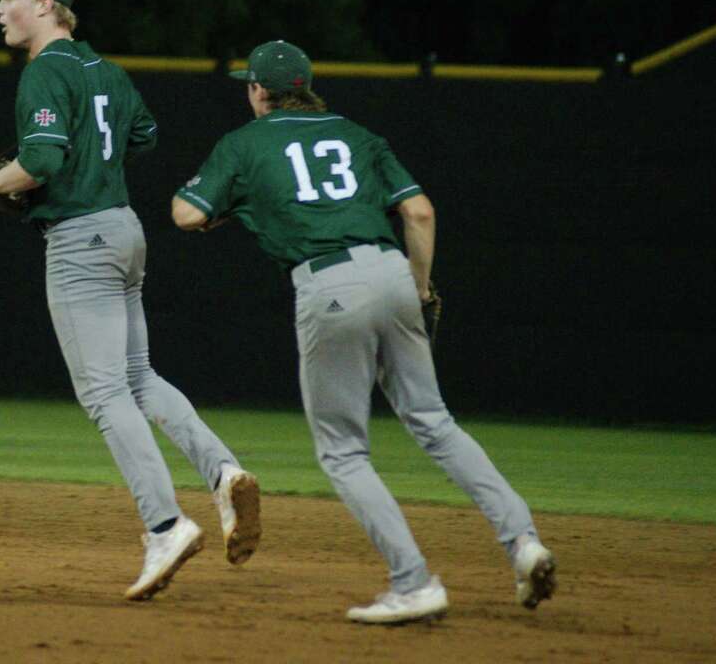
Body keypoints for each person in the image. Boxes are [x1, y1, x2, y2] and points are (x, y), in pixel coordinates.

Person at [171, 40, 556, 624]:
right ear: (306, 86)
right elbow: (420, 212)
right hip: (392, 271)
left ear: (257, 91)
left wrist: (234, 201)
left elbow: (186, 214)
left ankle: (414, 581)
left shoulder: (244, 143)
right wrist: (421, 288)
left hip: (328, 286)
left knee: (344, 452)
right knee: (435, 423)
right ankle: (524, 543)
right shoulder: (357, 134)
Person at [0, 0, 261, 601]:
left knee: (104, 394)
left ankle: (164, 525)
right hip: (125, 230)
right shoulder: (107, 70)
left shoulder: (43, 71)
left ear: (45, 4)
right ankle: (223, 473)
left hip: (80, 240)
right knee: (137, 377)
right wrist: (91, 164)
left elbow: (41, 160)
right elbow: (146, 135)